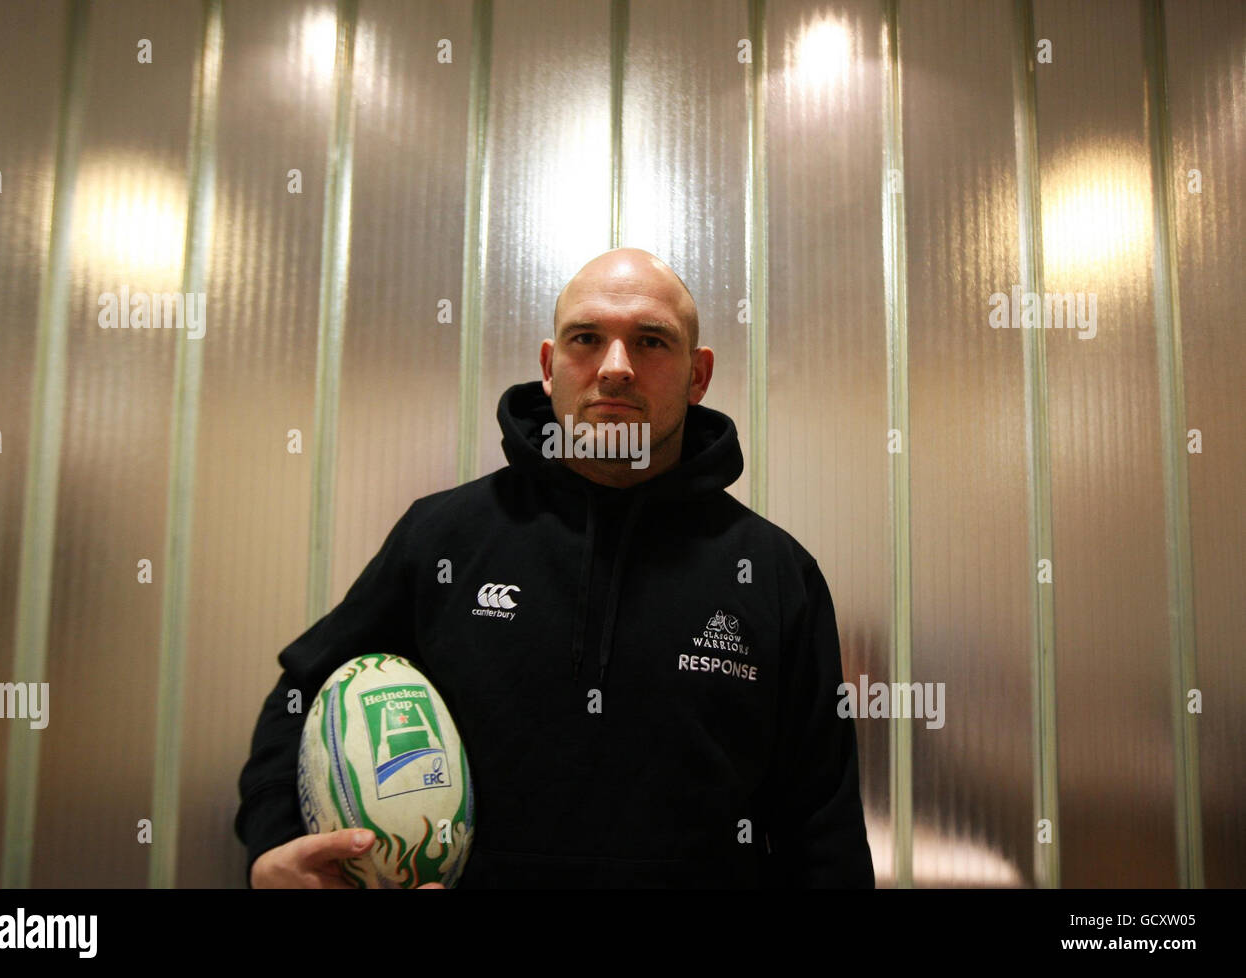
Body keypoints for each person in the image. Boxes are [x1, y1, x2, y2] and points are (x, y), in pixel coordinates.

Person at [235, 247, 875, 888]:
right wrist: (276, 847)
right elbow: (303, 694)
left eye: (651, 341)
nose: (616, 368)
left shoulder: (774, 572)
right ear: (549, 365)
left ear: (698, 375)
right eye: (587, 338)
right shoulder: (443, 538)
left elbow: (822, 823)